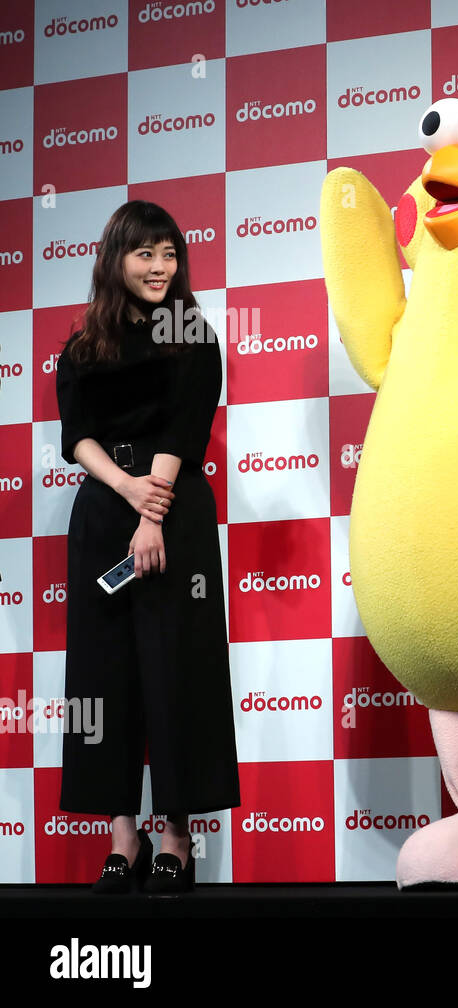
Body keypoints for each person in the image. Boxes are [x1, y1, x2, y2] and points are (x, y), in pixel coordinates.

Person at [55, 201, 239, 894]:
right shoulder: (84, 343)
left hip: (172, 506)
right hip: (106, 511)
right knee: (103, 679)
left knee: (176, 670)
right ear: (115, 260)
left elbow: (188, 421)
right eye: (145, 254)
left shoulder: (187, 327)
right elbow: (78, 435)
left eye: (169, 254)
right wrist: (125, 495)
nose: (161, 267)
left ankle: (176, 836)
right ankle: (122, 837)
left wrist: (151, 509)